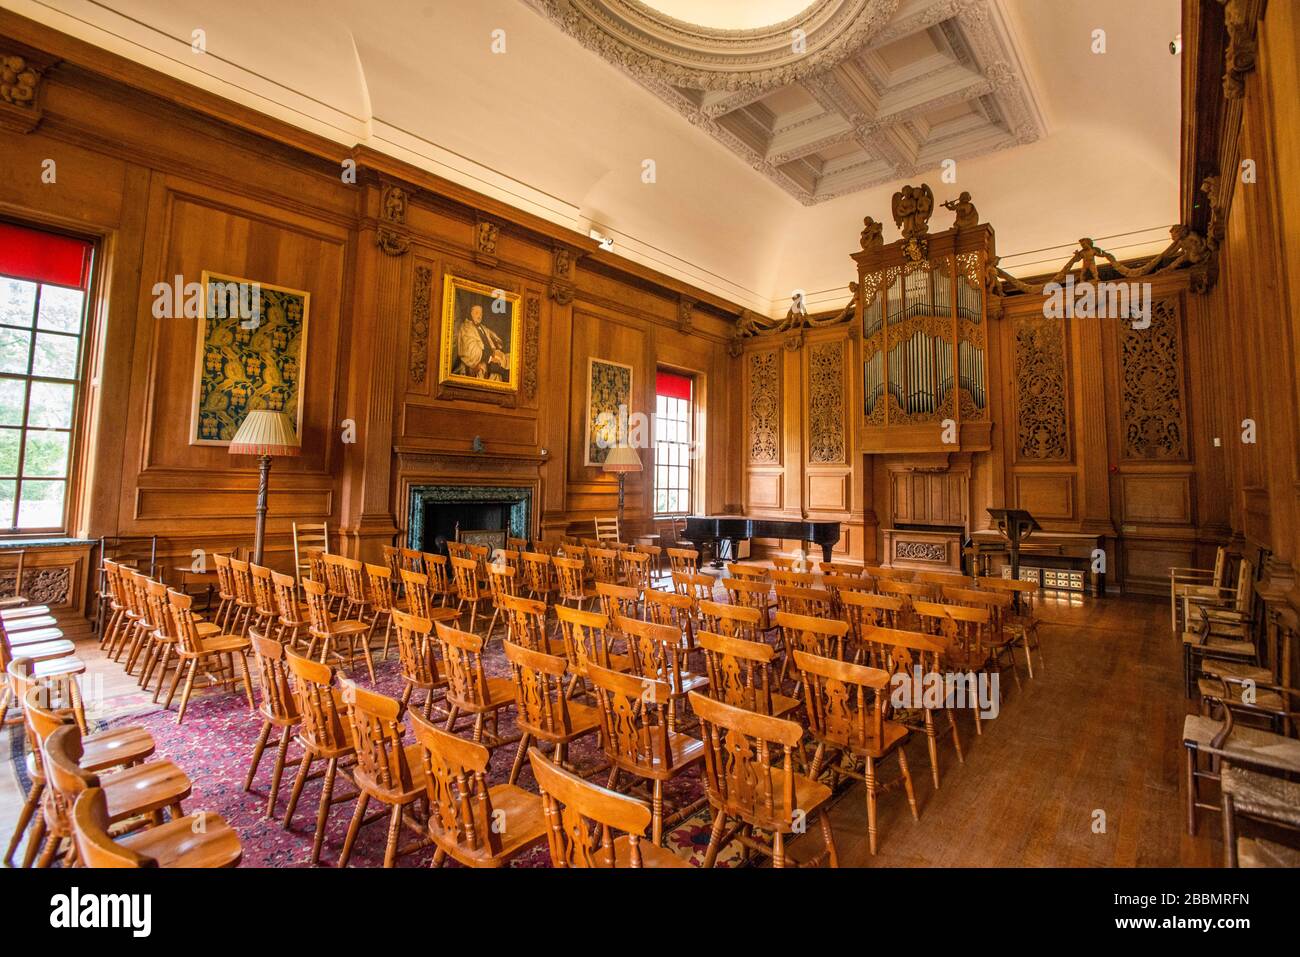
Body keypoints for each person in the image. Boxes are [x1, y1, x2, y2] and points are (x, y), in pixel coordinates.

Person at [453, 302, 509, 380]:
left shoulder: (483, 328)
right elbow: (471, 351)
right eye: (476, 313)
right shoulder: (466, 328)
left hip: (490, 361)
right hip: (477, 365)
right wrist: (490, 359)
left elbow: (495, 341)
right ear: (471, 314)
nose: (479, 316)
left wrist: (496, 350)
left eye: (481, 313)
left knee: (504, 365)